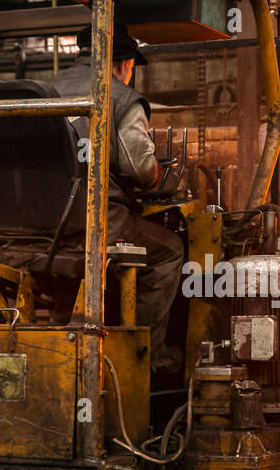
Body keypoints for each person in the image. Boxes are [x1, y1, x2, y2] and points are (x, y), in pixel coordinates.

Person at [50, 23, 184, 373]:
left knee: (67, 267)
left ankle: (64, 342)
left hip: (43, 225)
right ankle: (145, 355)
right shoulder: (120, 97)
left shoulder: (44, 89)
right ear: (124, 63)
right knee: (169, 250)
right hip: (94, 219)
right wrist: (157, 173)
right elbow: (139, 169)